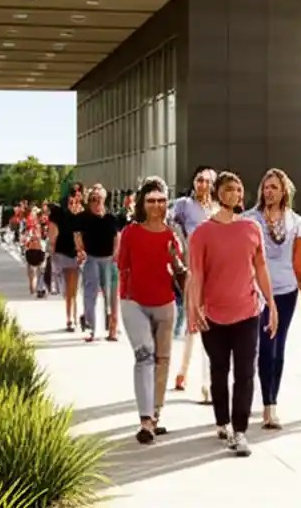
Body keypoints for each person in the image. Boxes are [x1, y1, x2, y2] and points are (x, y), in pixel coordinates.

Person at [187, 171, 278, 457]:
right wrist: (194, 308)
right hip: (213, 314)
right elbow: (197, 274)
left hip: (248, 311)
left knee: (245, 373)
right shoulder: (202, 232)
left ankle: (239, 431)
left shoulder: (252, 228)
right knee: (218, 371)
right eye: (229, 189)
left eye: (239, 189)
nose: (236, 194)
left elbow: (261, 267)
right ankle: (222, 421)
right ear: (217, 193)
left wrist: (272, 304)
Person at [244, 169, 301, 430]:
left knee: (279, 346)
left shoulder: (296, 221)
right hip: (259, 291)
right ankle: (266, 403)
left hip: (287, 290)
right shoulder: (250, 219)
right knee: (265, 345)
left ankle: (272, 403)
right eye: (266, 187)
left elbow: (299, 259)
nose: (269, 191)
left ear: (284, 191)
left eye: (274, 187)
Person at [118, 176, 184, 444]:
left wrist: (175, 259)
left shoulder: (171, 235)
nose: (156, 205)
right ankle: (145, 421)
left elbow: (180, 269)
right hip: (134, 302)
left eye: (161, 201)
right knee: (144, 355)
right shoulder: (131, 232)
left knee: (163, 360)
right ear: (142, 204)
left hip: (165, 303)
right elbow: (122, 266)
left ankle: (155, 415)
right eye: (151, 201)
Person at [168, 166, 219, 401]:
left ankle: (207, 384)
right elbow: (169, 225)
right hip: (192, 271)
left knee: (210, 326)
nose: (203, 185)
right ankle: (183, 371)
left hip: (216, 272)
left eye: (208, 181)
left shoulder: (218, 209)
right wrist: (178, 254)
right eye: (199, 180)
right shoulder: (184, 205)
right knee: (192, 323)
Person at [75, 184, 122, 342]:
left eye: (99, 199)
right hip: (92, 258)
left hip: (109, 260)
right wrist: (80, 250)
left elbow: (117, 237)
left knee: (111, 296)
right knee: (90, 294)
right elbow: (77, 235)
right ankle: (90, 328)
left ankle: (113, 330)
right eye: (93, 200)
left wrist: (116, 253)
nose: (96, 203)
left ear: (104, 200)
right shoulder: (84, 218)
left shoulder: (111, 218)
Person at [48, 189, 86, 332]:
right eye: (71, 201)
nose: (74, 204)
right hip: (62, 254)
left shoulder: (82, 216)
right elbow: (53, 232)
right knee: (68, 290)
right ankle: (72, 318)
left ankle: (71, 319)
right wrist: (51, 248)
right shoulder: (59, 213)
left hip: (74, 255)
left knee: (72, 289)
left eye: (77, 201)